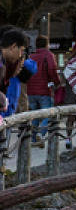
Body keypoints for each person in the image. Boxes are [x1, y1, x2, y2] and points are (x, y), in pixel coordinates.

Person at [0, 27, 36, 161]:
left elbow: (30, 71)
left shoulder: (9, 66)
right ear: (12, 46)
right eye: (21, 50)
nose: (21, 55)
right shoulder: (5, 64)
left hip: (7, 111)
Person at [21, 35, 64, 146]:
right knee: (47, 114)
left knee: (34, 115)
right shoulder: (49, 55)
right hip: (44, 90)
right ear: (46, 44)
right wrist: (57, 83)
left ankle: (33, 138)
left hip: (31, 90)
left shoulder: (31, 56)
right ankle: (41, 133)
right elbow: (52, 70)